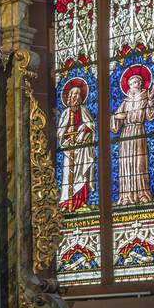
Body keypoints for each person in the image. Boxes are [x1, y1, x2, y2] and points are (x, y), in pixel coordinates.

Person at [110, 67, 154, 205]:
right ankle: (126, 196)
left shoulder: (144, 98)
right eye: (131, 84)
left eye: (136, 83)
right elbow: (115, 119)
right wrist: (117, 117)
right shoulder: (125, 102)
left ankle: (142, 193)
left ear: (141, 84)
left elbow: (150, 115)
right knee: (126, 164)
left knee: (139, 163)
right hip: (126, 134)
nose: (133, 86)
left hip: (137, 132)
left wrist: (150, 101)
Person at [57, 78, 96, 213]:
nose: (76, 96)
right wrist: (67, 132)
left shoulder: (84, 110)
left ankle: (81, 202)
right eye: (73, 94)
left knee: (82, 175)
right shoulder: (65, 113)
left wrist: (83, 130)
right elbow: (60, 133)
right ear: (68, 97)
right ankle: (67, 203)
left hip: (83, 148)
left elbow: (91, 125)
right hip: (70, 149)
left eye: (78, 94)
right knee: (69, 176)